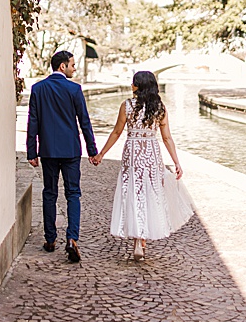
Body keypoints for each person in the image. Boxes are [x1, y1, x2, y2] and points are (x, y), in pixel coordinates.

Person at [92, 70, 194, 260]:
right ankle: (143, 237)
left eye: (133, 83)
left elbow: (116, 132)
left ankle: (138, 239)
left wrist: (102, 154)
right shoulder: (159, 108)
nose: (131, 86)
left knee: (134, 192)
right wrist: (176, 162)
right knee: (150, 193)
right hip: (151, 153)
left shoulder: (127, 106)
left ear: (139, 86)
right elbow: (167, 138)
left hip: (132, 153)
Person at [26, 49, 99, 263]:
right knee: (73, 193)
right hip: (70, 151)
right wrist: (92, 151)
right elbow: (84, 122)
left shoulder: (38, 89)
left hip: (48, 150)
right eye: (73, 65)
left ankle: (50, 239)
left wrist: (32, 151)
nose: (75, 68)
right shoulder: (74, 90)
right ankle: (72, 238)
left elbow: (33, 122)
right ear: (62, 66)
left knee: (49, 193)